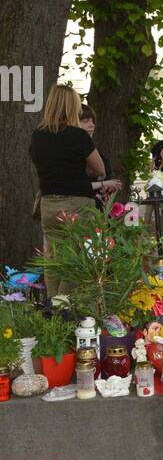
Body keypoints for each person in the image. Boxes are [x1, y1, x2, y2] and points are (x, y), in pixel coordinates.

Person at [29, 85, 118, 299]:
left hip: (48, 205)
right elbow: (100, 169)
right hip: (77, 204)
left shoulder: (38, 136)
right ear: (72, 107)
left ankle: (53, 306)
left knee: (53, 260)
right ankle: (66, 307)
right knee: (78, 259)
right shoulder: (77, 135)